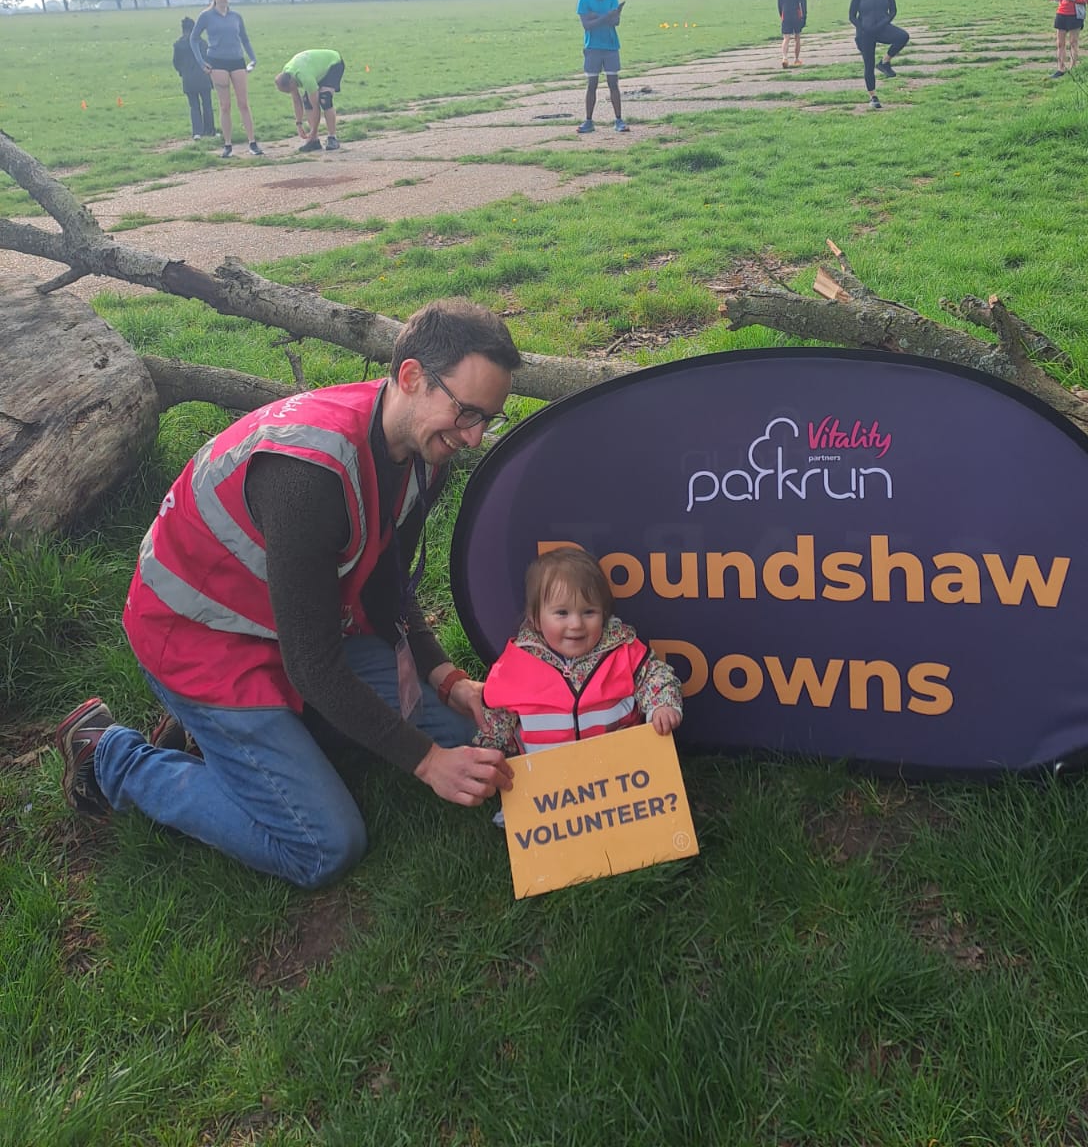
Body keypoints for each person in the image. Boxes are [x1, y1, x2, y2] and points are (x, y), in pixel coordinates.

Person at [55, 299, 522, 889]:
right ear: (411, 377)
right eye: (467, 412)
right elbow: (314, 667)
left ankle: (231, 741)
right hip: (198, 638)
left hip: (290, 621)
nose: (474, 437)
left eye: (488, 419)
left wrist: (450, 680)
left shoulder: (427, 446)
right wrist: (427, 764)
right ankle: (111, 756)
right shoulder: (309, 477)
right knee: (324, 846)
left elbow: (388, 590)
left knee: (464, 737)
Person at [474, 546, 683, 757]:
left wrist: (662, 705)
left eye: (589, 612)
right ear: (535, 618)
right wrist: (490, 751)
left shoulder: (624, 650)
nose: (576, 624)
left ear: (604, 613)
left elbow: (656, 676)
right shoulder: (514, 667)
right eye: (562, 613)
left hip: (621, 765)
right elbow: (496, 718)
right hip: (546, 773)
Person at [190, 0, 262, 158]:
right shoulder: (206, 16)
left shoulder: (236, 16)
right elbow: (193, 39)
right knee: (225, 105)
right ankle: (228, 145)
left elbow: (244, 38)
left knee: (243, 103)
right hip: (217, 62)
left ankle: (252, 143)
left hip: (237, 60)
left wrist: (253, 58)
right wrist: (201, 62)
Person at [848, 0, 909, 110]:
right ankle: (873, 97)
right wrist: (862, 28)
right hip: (865, 33)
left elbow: (893, 11)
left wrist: (884, 22)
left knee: (903, 36)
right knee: (868, 65)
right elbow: (852, 16)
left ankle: (884, 62)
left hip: (882, 28)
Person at [576, 0, 628, 134]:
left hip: (611, 47)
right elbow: (587, 25)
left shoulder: (613, 0)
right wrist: (607, 16)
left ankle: (619, 120)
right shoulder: (584, 0)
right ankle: (588, 121)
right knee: (592, 85)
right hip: (593, 47)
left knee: (613, 84)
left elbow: (615, 22)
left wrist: (597, 16)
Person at [276, 49, 345, 152]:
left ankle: (332, 138)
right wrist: (299, 124)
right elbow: (296, 101)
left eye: (290, 89)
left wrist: (313, 131)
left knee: (324, 99)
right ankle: (314, 141)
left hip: (333, 62)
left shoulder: (306, 78)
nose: (292, 92)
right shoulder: (287, 73)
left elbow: (316, 107)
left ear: (291, 83)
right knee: (306, 100)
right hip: (315, 68)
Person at [172, 16, 215, 139]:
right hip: (203, 77)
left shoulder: (178, 45)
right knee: (207, 105)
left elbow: (176, 62)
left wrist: (182, 72)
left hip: (188, 79)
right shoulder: (201, 43)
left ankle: (197, 132)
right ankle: (210, 131)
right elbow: (209, 59)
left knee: (194, 106)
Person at [777, 0, 808, 68]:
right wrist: (804, 16)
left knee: (786, 38)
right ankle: (796, 59)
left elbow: (779, 3)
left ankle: (784, 58)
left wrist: (781, 14)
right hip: (796, 14)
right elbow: (803, 3)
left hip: (786, 14)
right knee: (797, 37)